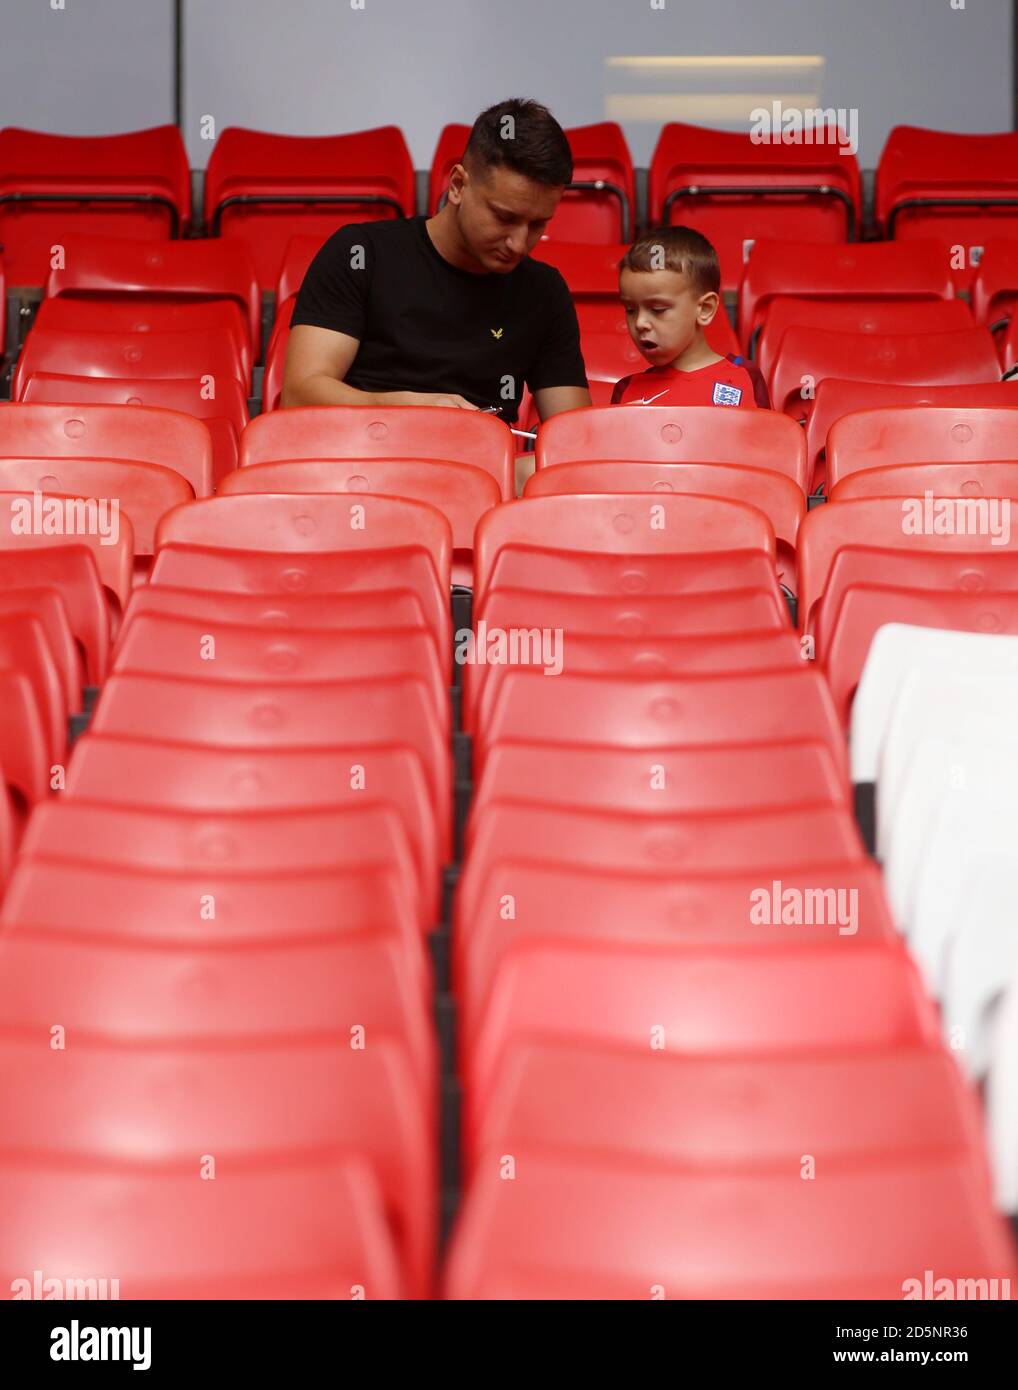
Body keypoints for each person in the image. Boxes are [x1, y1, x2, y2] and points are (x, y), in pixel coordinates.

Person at [281, 98, 591, 425]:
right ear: (458, 185)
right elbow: (300, 397)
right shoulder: (360, 254)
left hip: (482, 469)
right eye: (504, 217)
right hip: (364, 460)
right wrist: (414, 411)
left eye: (538, 225)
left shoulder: (543, 291)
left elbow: (574, 438)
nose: (518, 243)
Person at [611, 225, 769, 408]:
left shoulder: (744, 378)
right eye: (630, 310)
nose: (640, 323)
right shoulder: (627, 391)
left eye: (658, 309)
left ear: (705, 309)